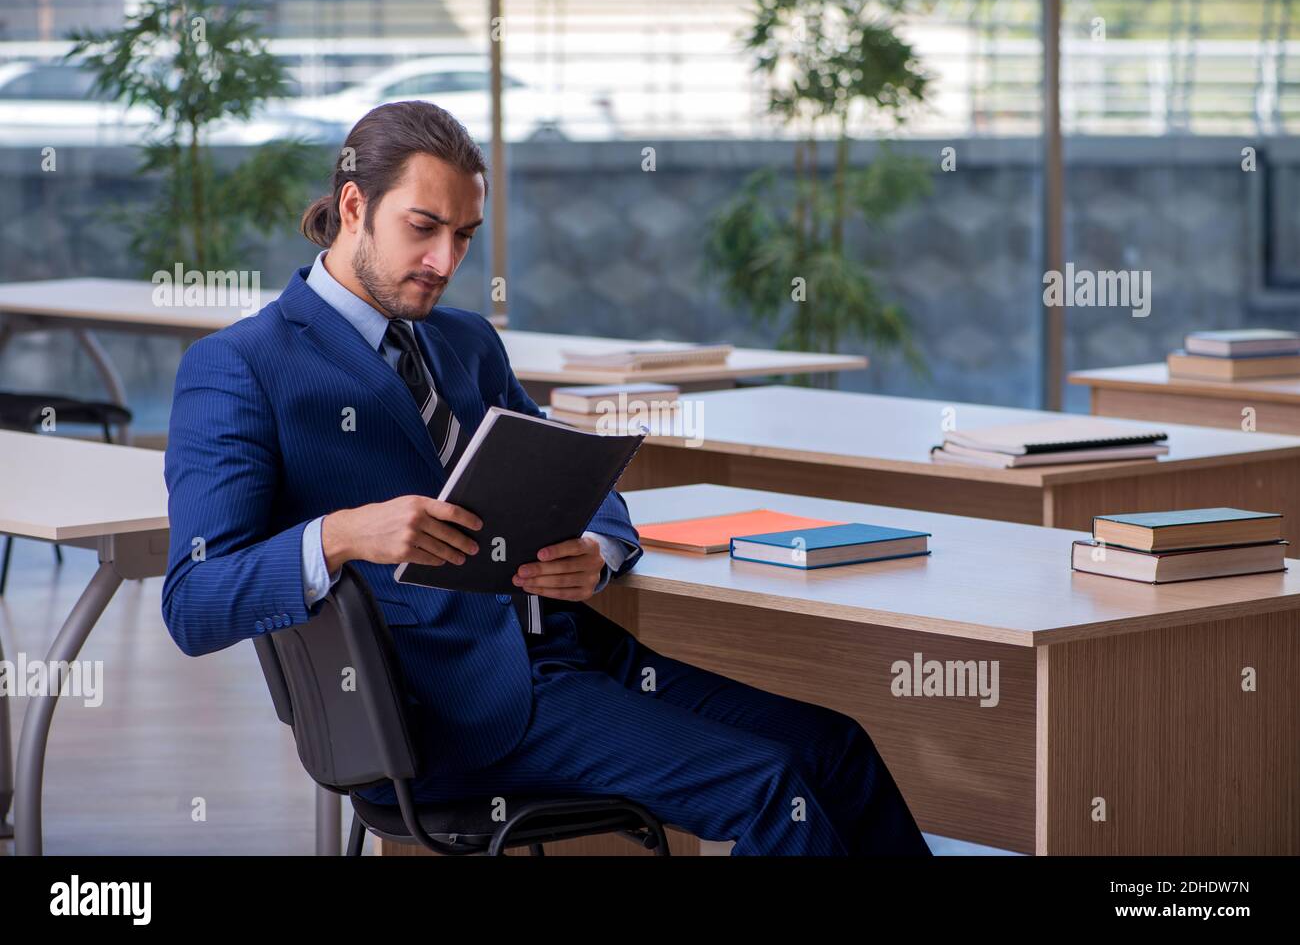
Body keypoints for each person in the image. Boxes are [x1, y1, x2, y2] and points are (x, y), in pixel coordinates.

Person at [161, 100, 929, 855]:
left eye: (463, 236)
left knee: (837, 749)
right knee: (775, 789)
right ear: (354, 205)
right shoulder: (242, 367)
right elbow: (194, 602)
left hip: (573, 660)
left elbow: (581, 475)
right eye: (423, 229)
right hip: (449, 715)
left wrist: (599, 545)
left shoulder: (463, 342)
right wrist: (341, 534)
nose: (445, 263)